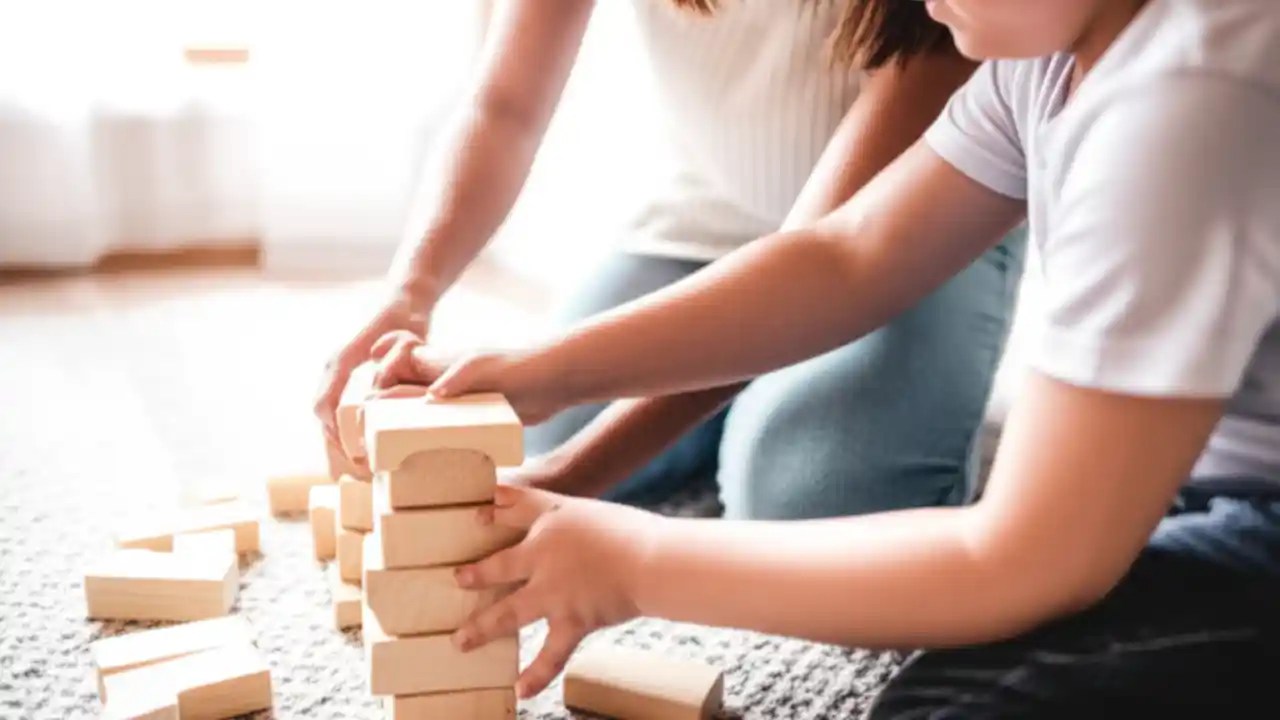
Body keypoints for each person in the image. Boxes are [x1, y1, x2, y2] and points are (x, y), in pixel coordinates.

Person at [371, 0, 1280, 713]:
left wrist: (638, 562)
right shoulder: (1042, 60)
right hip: (1203, 486)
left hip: (1254, 514)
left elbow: (1028, 557)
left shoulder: (1185, 98)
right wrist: (548, 369)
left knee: (948, 692)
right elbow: (846, 256)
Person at [315, 0, 1028, 520]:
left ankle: (800, 413)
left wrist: (570, 476)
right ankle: (753, 400)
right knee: (524, 425)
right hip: (709, 214)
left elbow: (825, 267)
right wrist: (410, 290)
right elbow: (504, 108)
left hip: (911, 238)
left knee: (806, 497)